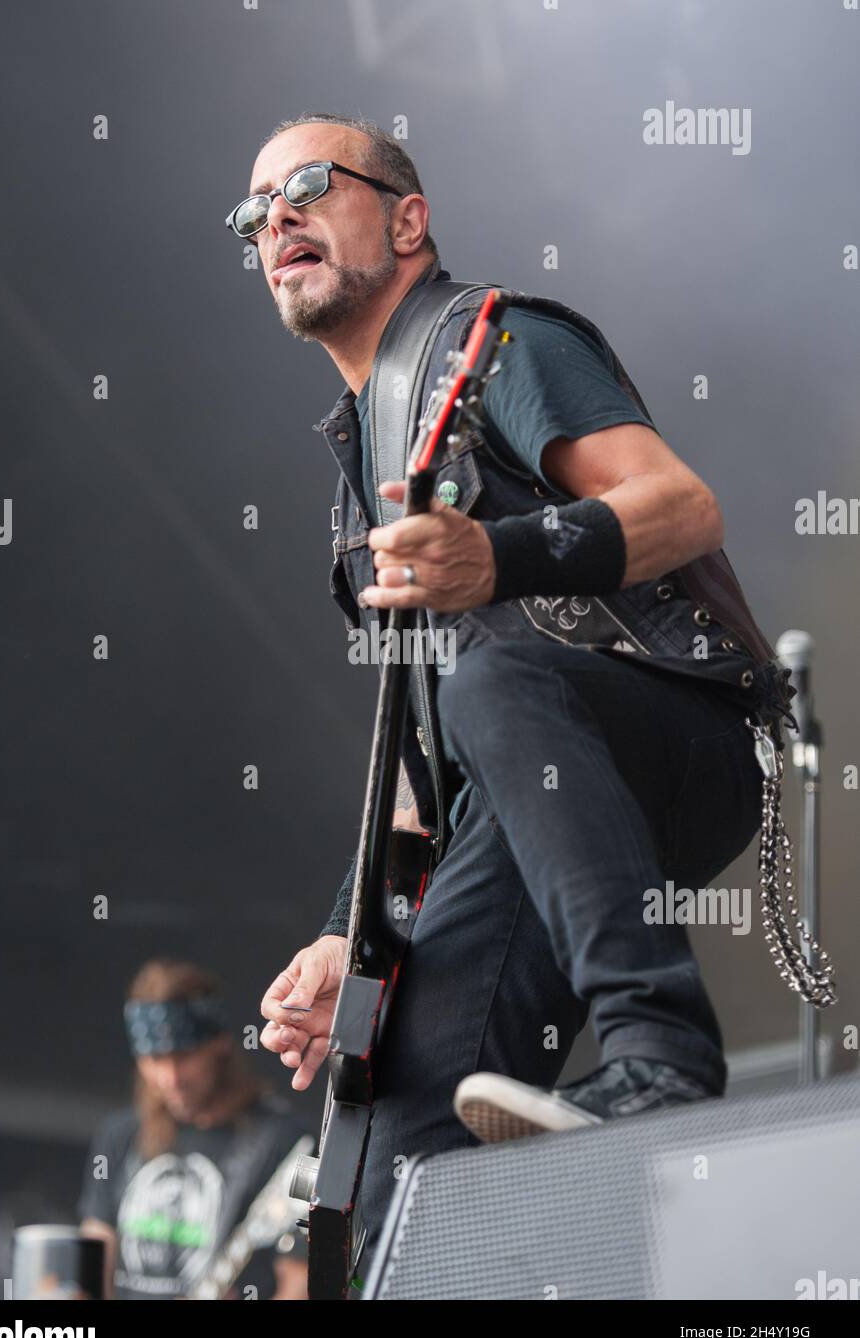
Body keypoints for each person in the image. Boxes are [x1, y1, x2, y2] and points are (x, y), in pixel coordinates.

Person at [233, 113, 793, 1255]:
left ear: (406, 218)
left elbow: (680, 507)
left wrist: (499, 556)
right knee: (395, 1143)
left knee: (493, 687)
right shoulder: (360, 477)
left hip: (668, 732)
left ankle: (662, 1052)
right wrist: (348, 929)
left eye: (304, 184)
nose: (273, 217)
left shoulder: (494, 341)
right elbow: (415, 769)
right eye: (253, 211)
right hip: (513, 799)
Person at [78, 958, 308, 1300]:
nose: (170, 1077)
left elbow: (300, 1283)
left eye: (184, 1056)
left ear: (219, 1045)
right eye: (155, 1059)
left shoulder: (290, 1143)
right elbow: (93, 1260)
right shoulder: (119, 1135)